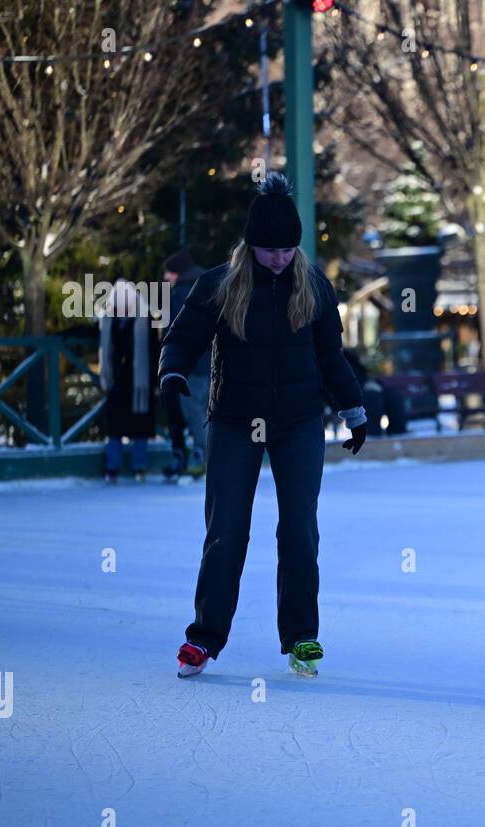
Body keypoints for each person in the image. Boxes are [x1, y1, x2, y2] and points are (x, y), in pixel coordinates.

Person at [158, 172, 368, 679]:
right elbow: (183, 336)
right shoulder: (219, 284)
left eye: (288, 249)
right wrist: (172, 371)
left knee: (299, 531)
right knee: (226, 531)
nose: (279, 259)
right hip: (234, 421)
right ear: (250, 245)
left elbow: (330, 356)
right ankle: (204, 638)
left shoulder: (313, 284)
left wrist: (354, 409)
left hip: (298, 422)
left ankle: (301, 638)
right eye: (269, 250)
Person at [98, 279, 155, 483]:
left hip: (140, 384)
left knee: (140, 426)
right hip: (116, 382)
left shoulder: (145, 319)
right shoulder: (108, 320)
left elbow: (155, 350)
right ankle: (112, 467)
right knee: (114, 427)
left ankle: (138, 465)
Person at [161, 250, 209, 479]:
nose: (165, 278)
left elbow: (174, 331)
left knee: (193, 410)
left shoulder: (180, 294)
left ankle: (202, 454)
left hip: (192, 364)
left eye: (168, 273)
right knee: (206, 409)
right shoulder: (206, 285)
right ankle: (205, 453)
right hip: (211, 361)